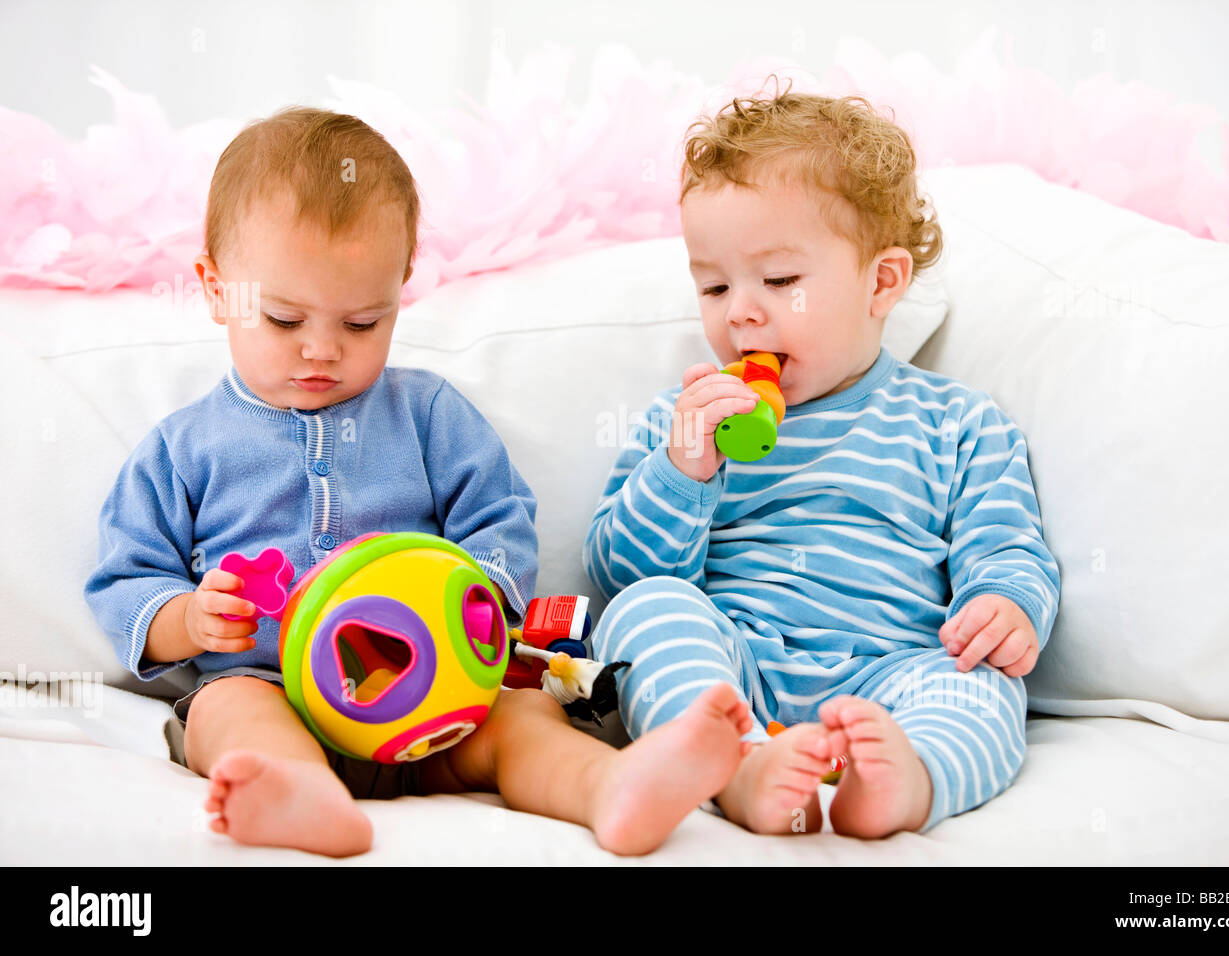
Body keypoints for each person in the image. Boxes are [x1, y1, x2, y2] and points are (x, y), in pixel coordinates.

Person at [85, 106, 751, 858]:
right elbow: (125, 577)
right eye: (281, 319)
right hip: (269, 685)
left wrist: (478, 602)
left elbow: (499, 517)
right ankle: (299, 794)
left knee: (522, 721)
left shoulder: (429, 414)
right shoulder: (183, 448)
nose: (321, 350)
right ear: (215, 289)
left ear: (400, 291)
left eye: (362, 323)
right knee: (227, 712)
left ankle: (610, 788)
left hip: (432, 700)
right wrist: (190, 621)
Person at [585, 88, 1062, 838]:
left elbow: (1007, 547)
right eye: (714, 286)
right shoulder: (687, 422)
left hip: (894, 670)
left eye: (778, 282)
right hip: (735, 661)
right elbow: (622, 572)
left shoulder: (958, 424)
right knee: (644, 614)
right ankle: (736, 767)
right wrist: (683, 475)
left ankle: (905, 783)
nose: (739, 310)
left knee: (987, 687)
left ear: (882, 283)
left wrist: (1006, 606)